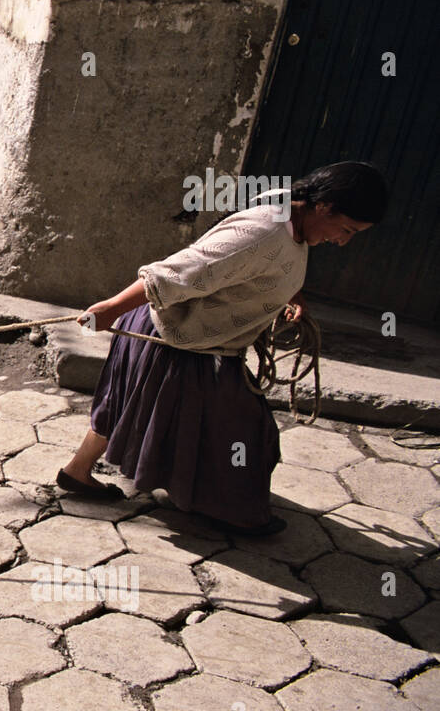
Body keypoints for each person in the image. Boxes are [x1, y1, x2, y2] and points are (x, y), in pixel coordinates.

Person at [58, 161, 389, 535]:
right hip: (172, 337)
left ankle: (77, 472)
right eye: (346, 229)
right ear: (325, 206)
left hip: (187, 336)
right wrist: (111, 309)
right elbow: (181, 270)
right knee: (244, 430)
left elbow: (264, 266)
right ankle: (235, 512)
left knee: (129, 402)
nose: (344, 241)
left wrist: (290, 293)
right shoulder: (264, 231)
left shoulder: (292, 214)